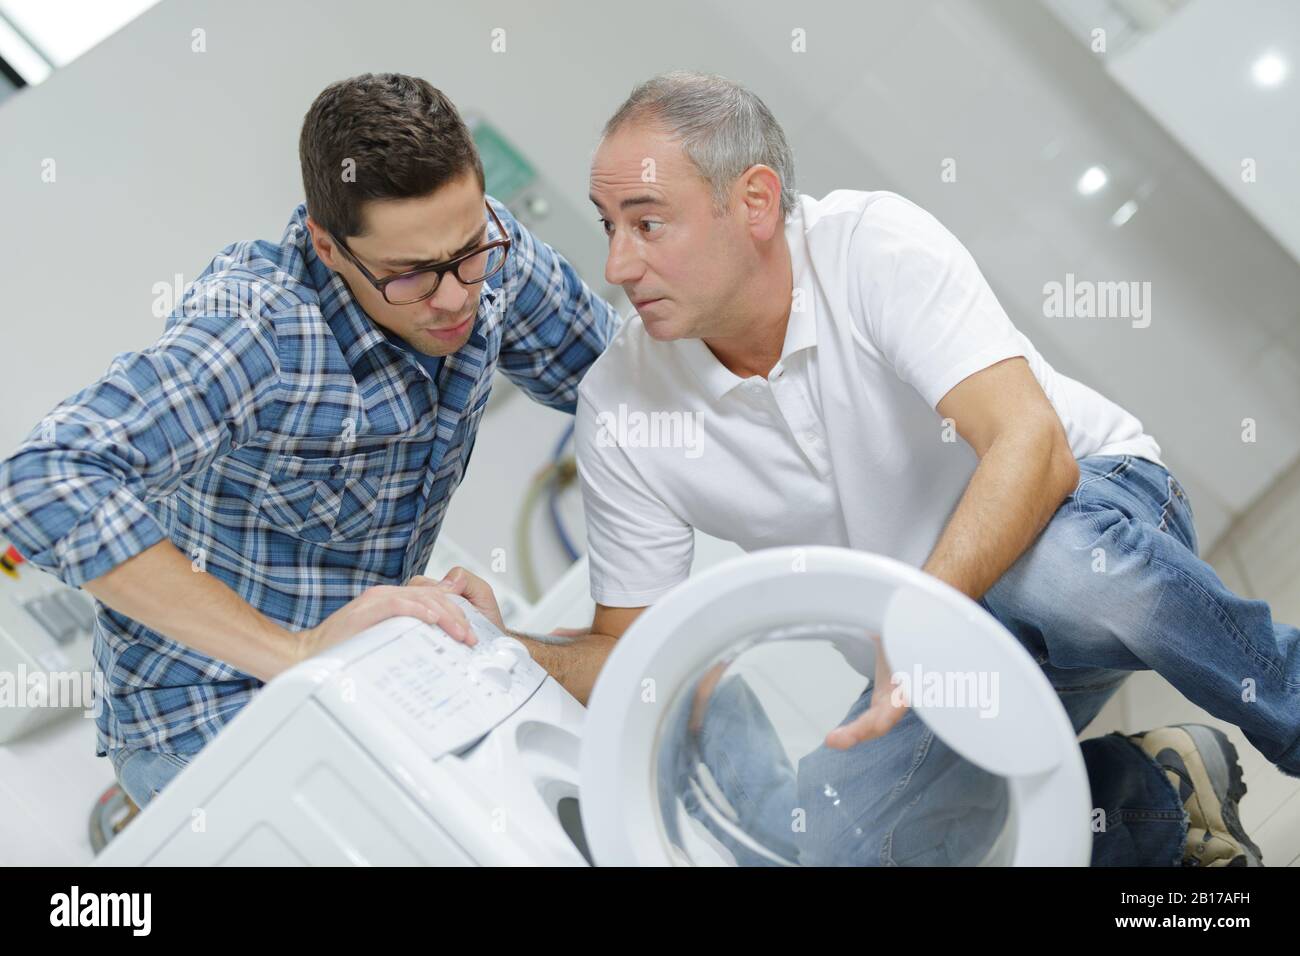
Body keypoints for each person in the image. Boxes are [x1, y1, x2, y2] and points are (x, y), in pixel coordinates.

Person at [451, 71, 1296, 866]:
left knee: (1068, 576)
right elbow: (636, 656)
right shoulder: (622, 404)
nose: (618, 267)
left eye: (647, 223)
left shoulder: (866, 247)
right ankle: (1154, 798)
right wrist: (495, 648)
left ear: (752, 201)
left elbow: (1032, 448)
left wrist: (912, 620)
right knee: (830, 848)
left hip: (1092, 525)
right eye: (608, 226)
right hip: (935, 655)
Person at [0, 73, 616, 810]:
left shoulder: (485, 256)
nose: (456, 296)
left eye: (469, 251)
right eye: (410, 276)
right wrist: (294, 655)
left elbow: (630, 393)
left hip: (369, 678)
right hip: (203, 716)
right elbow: (43, 481)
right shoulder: (260, 328)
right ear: (328, 246)